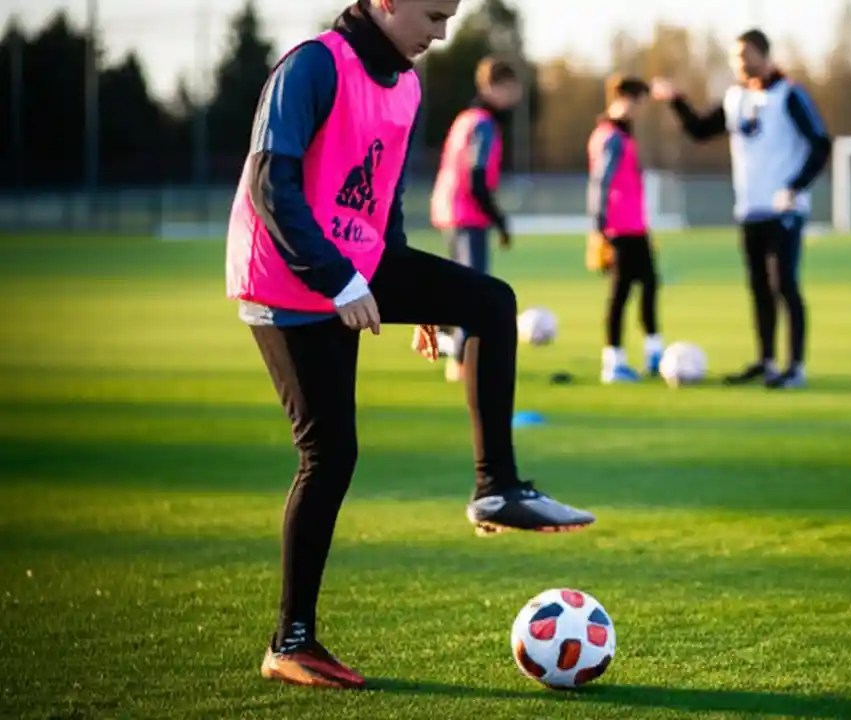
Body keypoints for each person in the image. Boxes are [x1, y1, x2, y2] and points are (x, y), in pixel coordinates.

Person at [225, 0, 595, 690]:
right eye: (431, 15)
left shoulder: (409, 85)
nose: (442, 33)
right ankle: (291, 642)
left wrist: (403, 285)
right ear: (385, 1)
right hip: (284, 279)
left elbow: (381, 195)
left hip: (353, 266)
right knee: (330, 454)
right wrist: (340, 281)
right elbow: (271, 186)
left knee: (489, 303)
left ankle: (498, 489)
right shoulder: (312, 67)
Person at [651, 29, 831, 390]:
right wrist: (677, 100)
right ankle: (766, 362)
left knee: (785, 286)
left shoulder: (789, 95)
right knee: (759, 288)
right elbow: (701, 130)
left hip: (784, 210)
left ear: (764, 56)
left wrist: (794, 188)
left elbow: (820, 144)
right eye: (735, 58)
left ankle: (794, 367)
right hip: (750, 209)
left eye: (745, 56)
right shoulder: (735, 98)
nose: (740, 64)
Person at [424, 57, 523, 382]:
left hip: (448, 209)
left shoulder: (466, 118)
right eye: (511, 89)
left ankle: (446, 340)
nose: (516, 97)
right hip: (466, 213)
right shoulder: (483, 124)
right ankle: (462, 363)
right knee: (474, 290)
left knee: (458, 286)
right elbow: (476, 176)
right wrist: (499, 219)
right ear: (495, 86)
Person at [588, 75, 664, 383]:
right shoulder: (611, 138)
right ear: (624, 99)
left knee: (648, 287)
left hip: (634, 226)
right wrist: (598, 229)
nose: (638, 110)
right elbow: (600, 184)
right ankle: (614, 362)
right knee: (620, 294)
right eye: (637, 102)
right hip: (619, 229)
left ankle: (654, 354)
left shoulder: (620, 135)